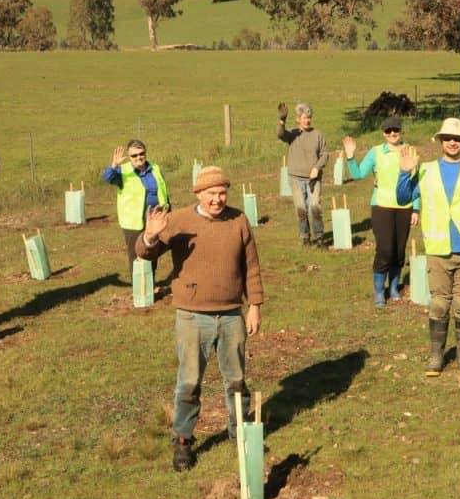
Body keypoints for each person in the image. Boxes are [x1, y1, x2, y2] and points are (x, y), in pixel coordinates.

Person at [138, 166, 264, 472]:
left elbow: (251, 266)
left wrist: (255, 305)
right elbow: (143, 253)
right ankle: (183, 441)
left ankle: (241, 434)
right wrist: (151, 235)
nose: (218, 200)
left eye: (222, 193)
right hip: (192, 316)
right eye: (211, 194)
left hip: (232, 313)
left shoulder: (238, 220)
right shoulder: (179, 220)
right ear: (198, 194)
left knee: (236, 380)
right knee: (190, 381)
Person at [396, 118, 460, 376]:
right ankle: (436, 355)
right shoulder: (426, 169)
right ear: (441, 141)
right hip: (438, 250)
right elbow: (403, 198)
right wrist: (405, 173)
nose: (453, 142)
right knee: (439, 304)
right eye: (448, 138)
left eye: (458, 138)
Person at [342, 116, 420, 306]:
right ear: (383, 134)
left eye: (396, 130)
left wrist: (416, 208)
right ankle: (379, 291)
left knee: (399, 251)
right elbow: (358, 174)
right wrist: (351, 156)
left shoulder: (411, 150)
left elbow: (416, 183)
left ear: (401, 131)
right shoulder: (376, 152)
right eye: (388, 131)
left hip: (405, 207)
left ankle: (393, 287)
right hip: (382, 206)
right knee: (385, 250)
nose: (393, 133)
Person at [102, 139, 170, 282]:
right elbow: (108, 178)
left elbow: (163, 189)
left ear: (145, 153)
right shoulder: (123, 171)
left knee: (153, 250)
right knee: (136, 254)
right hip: (133, 222)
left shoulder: (155, 168)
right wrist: (114, 165)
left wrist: (167, 208)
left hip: (154, 219)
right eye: (134, 155)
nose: (138, 157)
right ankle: (139, 288)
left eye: (141, 153)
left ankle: (151, 283)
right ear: (129, 156)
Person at [277, 102, 328, 246]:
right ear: (298, 118)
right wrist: (282, 120)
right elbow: (280, 134)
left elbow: (324, 154)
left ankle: (319, 237)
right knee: (301, 208)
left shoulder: (318, 134)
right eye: (304, 117)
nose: (307, 120)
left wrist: (317, 167)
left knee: (315, 206)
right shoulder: (293, 134)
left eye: (309, 117)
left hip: (314, 178)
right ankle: (305, 237)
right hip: (295, 178)